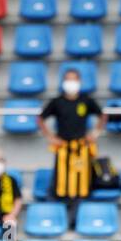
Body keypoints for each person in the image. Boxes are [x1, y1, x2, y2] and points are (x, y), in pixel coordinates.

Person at [39, 69, 104, 207]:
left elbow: (102, 115)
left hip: (81, 147)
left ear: (79, 82)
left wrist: (95, 134)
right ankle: (60, 212)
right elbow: (40, 118)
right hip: (63, 147)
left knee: (82, 183)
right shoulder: (57, 101)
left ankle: (78, 216)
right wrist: (50, 137)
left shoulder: (85, 100)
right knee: (61, 182)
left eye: (74, 79)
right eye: (68, 79)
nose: (71, 83)